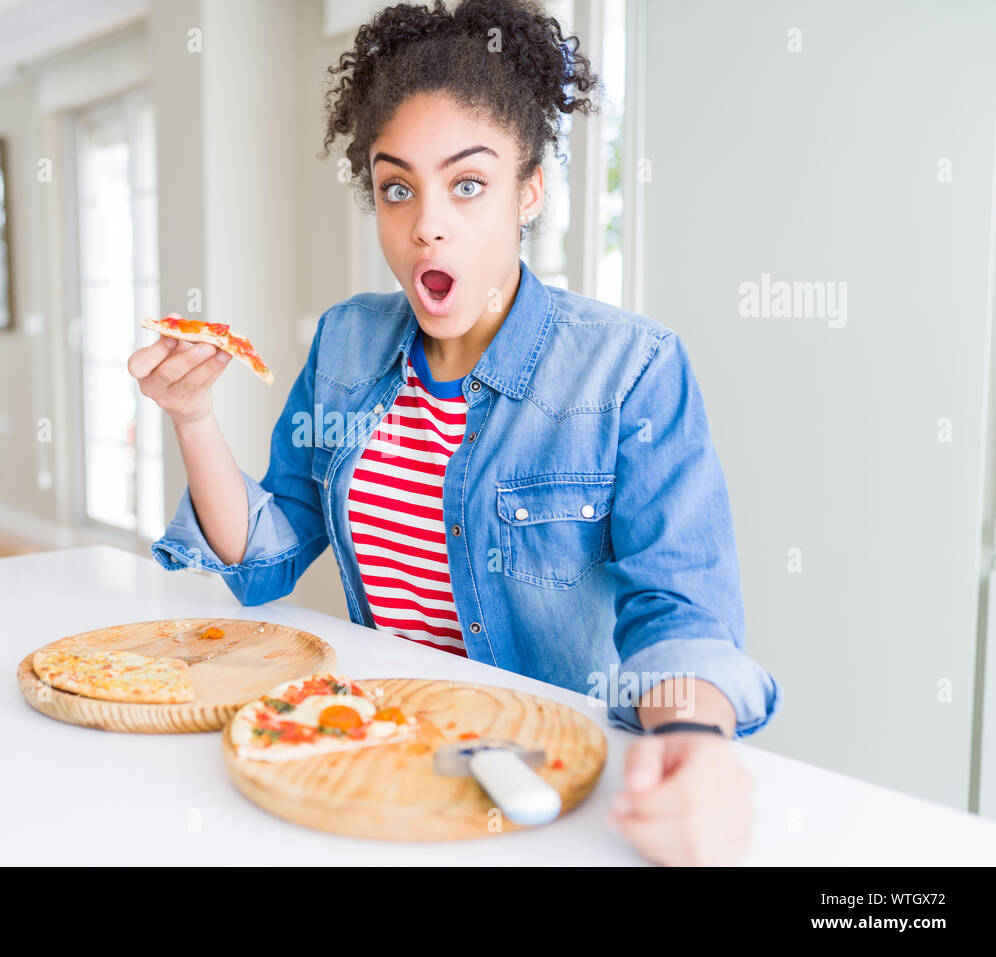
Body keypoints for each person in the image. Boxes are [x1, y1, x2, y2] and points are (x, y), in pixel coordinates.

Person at [128, 0, 781, 865]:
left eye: (466, 184)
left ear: (530, 191)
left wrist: (695, 744)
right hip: (389, 753)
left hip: (554, 779)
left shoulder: (631, 369)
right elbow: (264, 556)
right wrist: (194, 417)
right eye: (398, 187)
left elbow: (683, 609)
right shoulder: (347, 342)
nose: (425, 223)